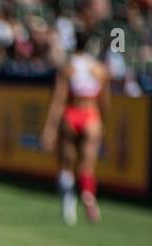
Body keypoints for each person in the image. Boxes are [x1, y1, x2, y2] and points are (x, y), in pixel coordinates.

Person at [42, 37, 108, 225]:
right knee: (87, 165)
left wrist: (49, 128)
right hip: (91, 115)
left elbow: (58, 100)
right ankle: (87, 195)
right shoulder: (100, 69)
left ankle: (68, 205)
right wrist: (103, 124)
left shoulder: (68, 68)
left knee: (67, 162)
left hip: (72, 114)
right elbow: (105, 102)